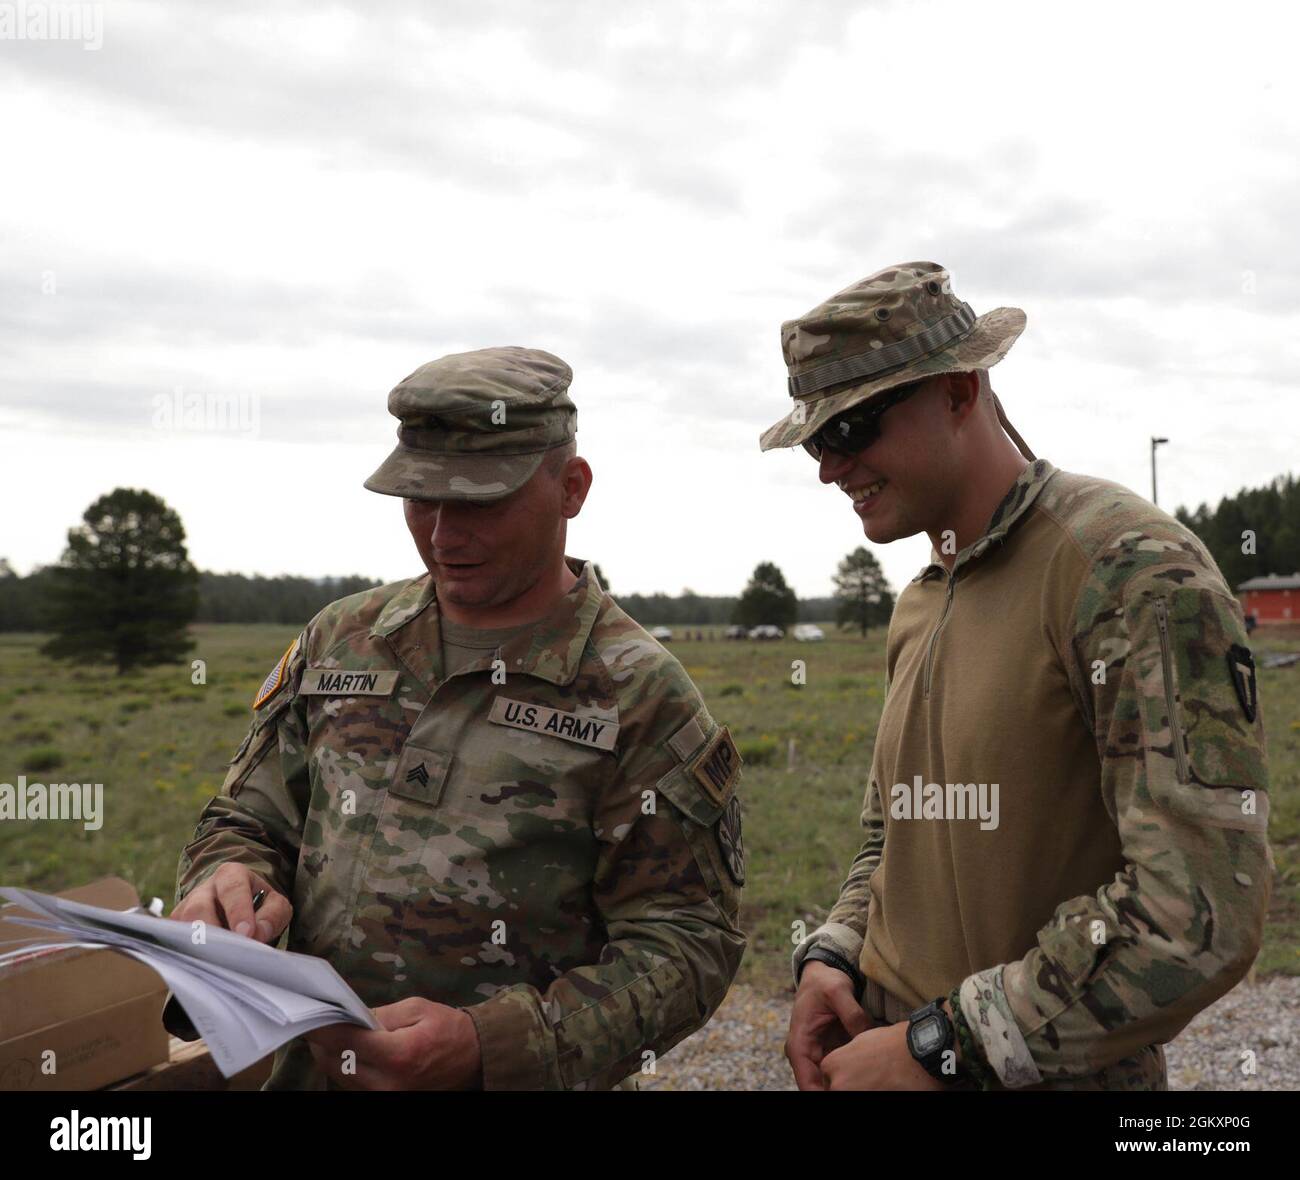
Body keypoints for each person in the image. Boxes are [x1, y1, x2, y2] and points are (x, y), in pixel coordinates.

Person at [171, 346, 746, 1090]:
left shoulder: (639, 695)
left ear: (571, 488)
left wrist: (492, 1046)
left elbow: (688, 946)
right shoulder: (340, 638)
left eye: (479, 502)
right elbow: (248, 818)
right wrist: (227, 875)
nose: (442, 535)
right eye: (420, 500)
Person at [763, 262, 1271, 1091]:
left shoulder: (1123, 569)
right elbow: (893, 835)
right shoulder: (923, 598)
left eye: (852, 429)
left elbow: (1196, 916)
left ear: (960, 392)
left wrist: (941, 1046)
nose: (830, 466)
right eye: (816, 441)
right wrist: (836, 954)